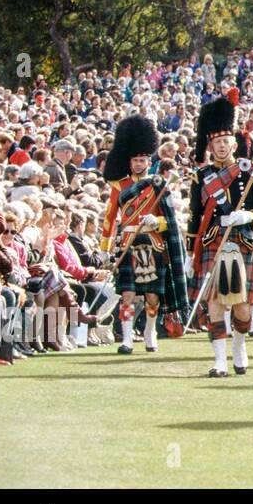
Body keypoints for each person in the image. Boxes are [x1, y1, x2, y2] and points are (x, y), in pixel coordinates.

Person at [187, 95, 253, 377]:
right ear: (210, 146)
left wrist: (248, 216)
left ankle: (240, 344)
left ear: (234, 143)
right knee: (215, 304)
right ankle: (219, 361)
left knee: (243, 308)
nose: (221, 146)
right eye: (216, 142)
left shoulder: (250, 172)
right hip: (212, 242)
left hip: (243, 241)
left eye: (225, 141)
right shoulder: (201, 177)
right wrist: (189, 253)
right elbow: (194, 217)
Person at [101, 114, 187, 356]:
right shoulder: (119, 186)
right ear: (130, 162)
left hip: (152, 243)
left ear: (149, 161)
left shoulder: (158, 185)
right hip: (127, 243)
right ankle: (127, 338)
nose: (139, 164)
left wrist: (156, 221)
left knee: (152, 297)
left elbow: (169, 220)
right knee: (127, 295)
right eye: (135, 160)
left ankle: (150, 330)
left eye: (143, 160)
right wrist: (104, 247)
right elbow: (110, 217)